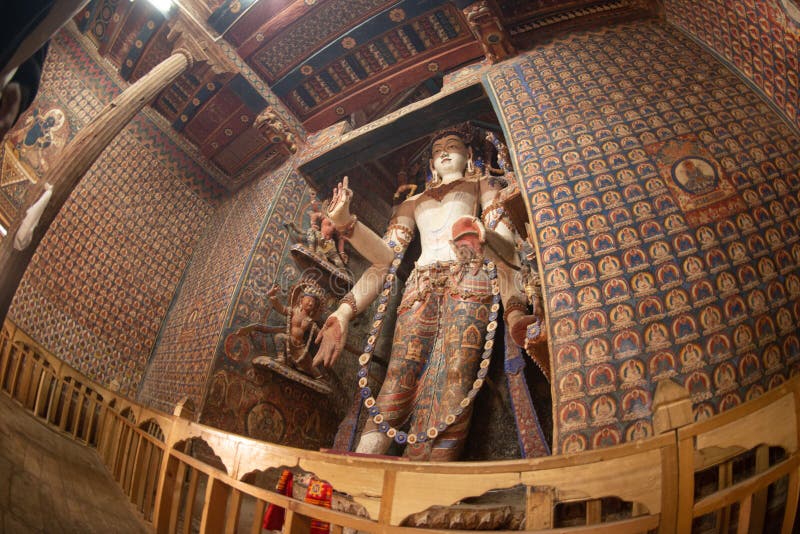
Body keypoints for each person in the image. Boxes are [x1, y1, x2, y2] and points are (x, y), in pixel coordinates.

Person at [312, 125, 542, 461]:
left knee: (455, 376)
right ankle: (363, 466)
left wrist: (480, 234)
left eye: (453, 146)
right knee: (398, 376)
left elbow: (508, 247)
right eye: (437, 150)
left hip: (471, 276)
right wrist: (348, 226)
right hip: (419, 285)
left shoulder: (483, 185)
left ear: (468, 156)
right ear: (432, 164)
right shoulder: (412, 202)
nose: (445, 152)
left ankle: (433, 470)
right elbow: (385, 259)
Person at [266, 282, 324, 379]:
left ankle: (320, 378)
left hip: (301, 347)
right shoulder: (293, 312)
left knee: (312, 366)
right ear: (301, 300)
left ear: (315, 307)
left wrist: (326, 333)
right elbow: (281, 308)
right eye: (308, 300)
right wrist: (272, 295)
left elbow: (319, 334)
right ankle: (281, 358)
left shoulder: (310, 321)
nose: (310, 303)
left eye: (313, 303)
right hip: (290, 340)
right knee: (279, 337)